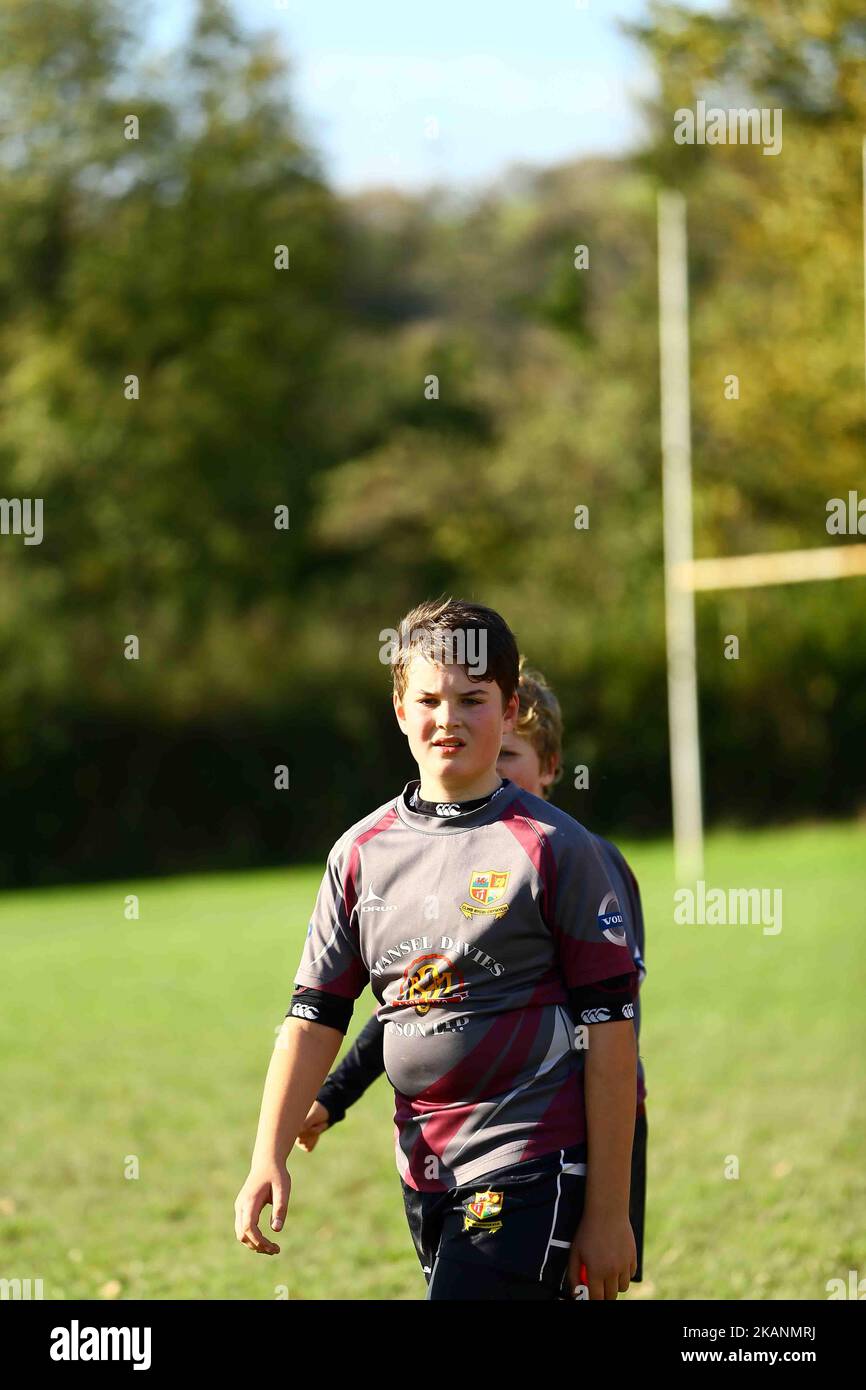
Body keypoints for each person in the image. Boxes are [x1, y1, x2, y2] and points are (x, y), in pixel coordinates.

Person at [234, 598, 639, 1300]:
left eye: (472, 700)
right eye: (428, 699)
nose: (448, 719)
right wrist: (267, 1154)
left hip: (530, 1155)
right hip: (423, 1165)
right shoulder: (360, 853)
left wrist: (610, 1213)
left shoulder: (557, 850)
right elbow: (314, 1014)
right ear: (398, 709)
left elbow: (612, 1035)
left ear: (511, 710)